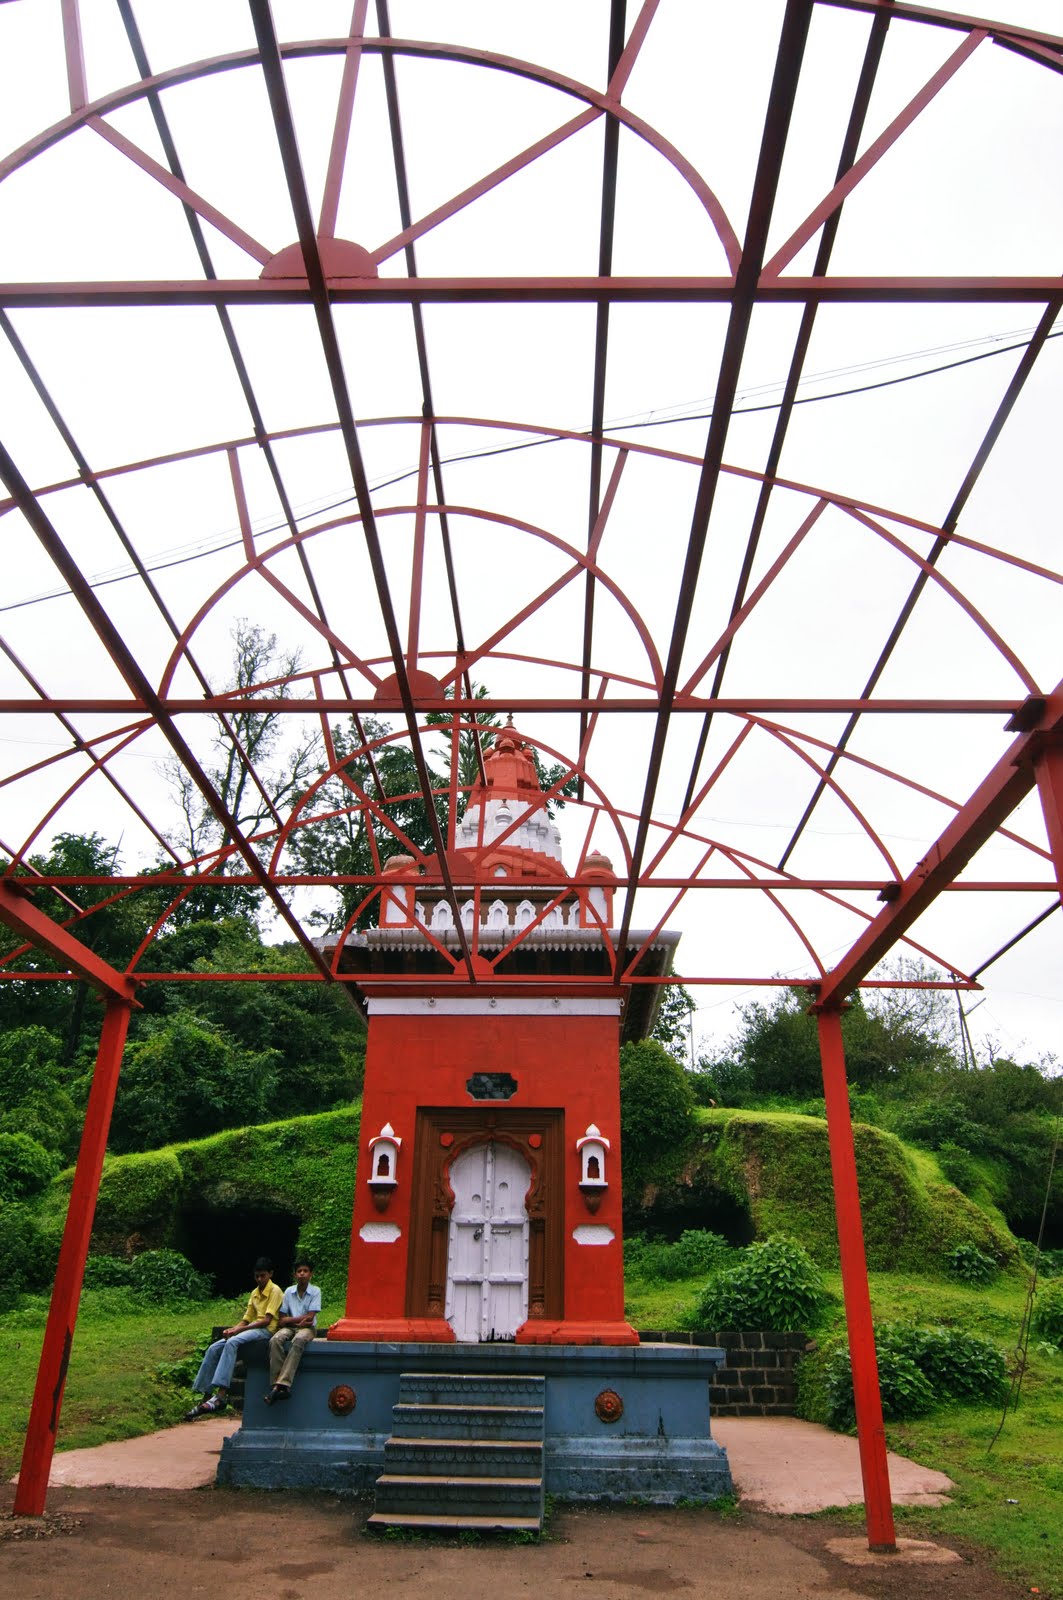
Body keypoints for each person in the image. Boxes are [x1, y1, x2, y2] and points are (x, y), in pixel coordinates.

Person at [184, 1256, 283, 1419]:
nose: (259, 1279)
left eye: (263, 1275)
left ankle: (221, 1395)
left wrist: (239, 1332)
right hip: (253, 1329)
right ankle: (206, 1397)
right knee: (214, 1348)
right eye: (257, 1276)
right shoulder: (254, 1293)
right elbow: (246, 1318)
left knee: (233, 1342)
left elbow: (266, 1321)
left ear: (270, 1274)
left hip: (267, 1331)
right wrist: (233, 1329)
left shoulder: (276, 1291)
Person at [264, 1256, 321, 1404]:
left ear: (310, 1274)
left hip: (308, 1329)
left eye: (305, 1271)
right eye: (299, 1271)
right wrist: (296, 1320)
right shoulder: (289, 1292)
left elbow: (310, 1318)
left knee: (299, 1340)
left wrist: (292, 1319)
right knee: (275, 1340)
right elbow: (282, 1318)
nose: (302, 1273)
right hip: (290, 1328)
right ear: (295, 1275)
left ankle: (279, 1386)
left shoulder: (315, 1291)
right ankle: (277, 1384)